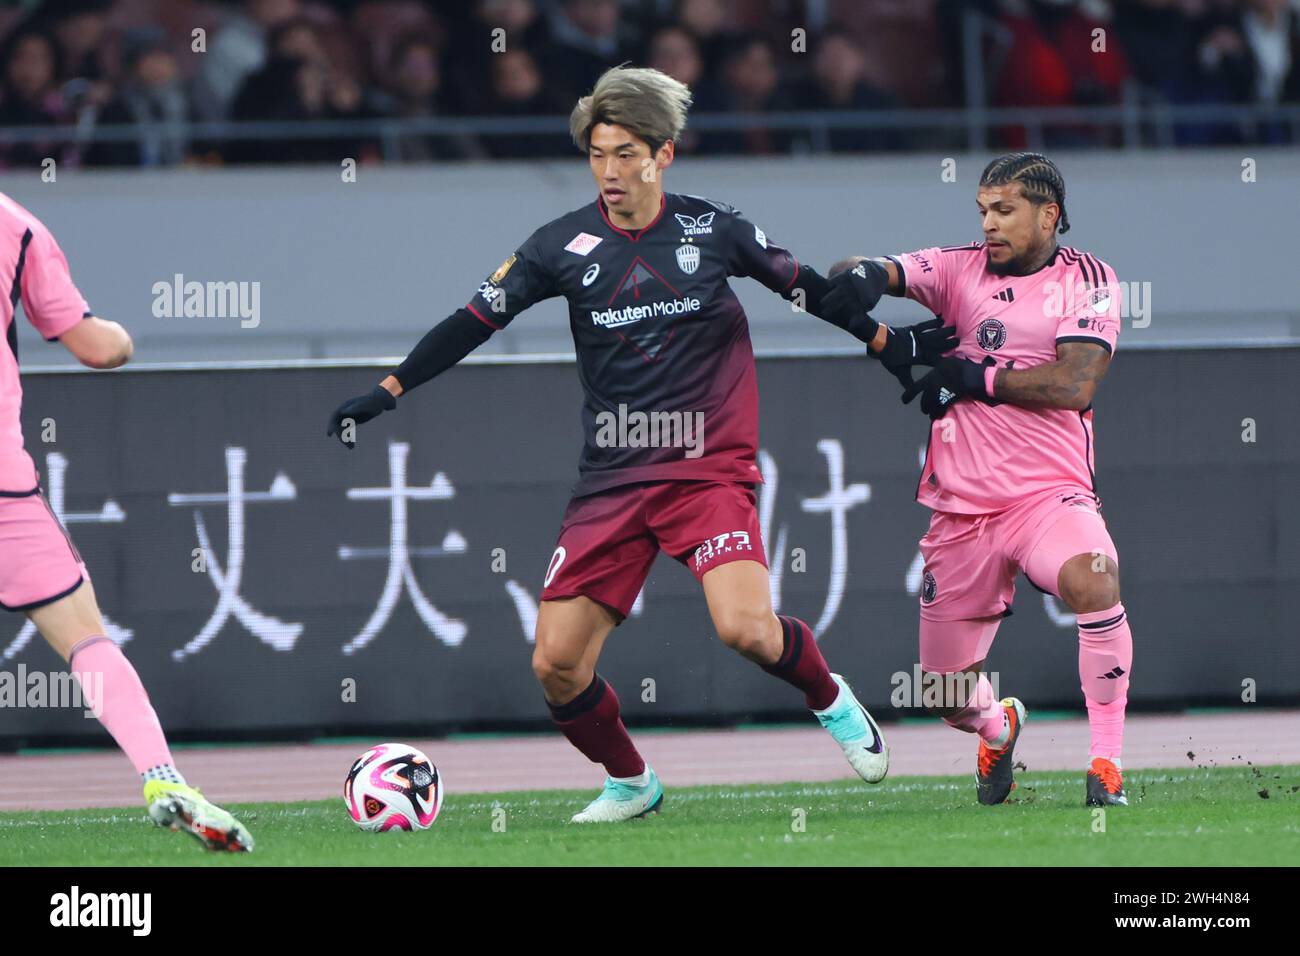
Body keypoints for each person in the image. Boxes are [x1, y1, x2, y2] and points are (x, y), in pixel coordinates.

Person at [327, 66, 954, 823]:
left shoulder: (713, 229)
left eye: (626, 153)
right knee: (556, 665)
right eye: (598, 154)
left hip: (706, 469)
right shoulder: (559, 245)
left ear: (663, 154)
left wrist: (884, 340)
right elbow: (473, 320)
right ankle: (632, 782)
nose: (611, 170)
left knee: (744, 630)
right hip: (613, 481)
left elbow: (808, 289)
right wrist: (389, 390)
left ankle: (830, 698)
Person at [827, 152, 1131, 808]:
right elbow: (860, 271)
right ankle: (999, 727)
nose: (989, 223)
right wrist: (864, 294)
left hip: (1048, 495)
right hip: (961, 510)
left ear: (1049, 215)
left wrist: (975, 376)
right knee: (941, 690)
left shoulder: (1090, 279)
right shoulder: (958, 267)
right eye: (983, 210)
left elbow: (1075, 382)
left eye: (1005, 210)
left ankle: (1106, 763)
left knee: (1095, 576)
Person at [0, 191, 253, 851]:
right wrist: (121, 336)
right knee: (86, 640)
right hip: (3, 487)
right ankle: (161, 775)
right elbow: (96, 349)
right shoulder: (16, 226)